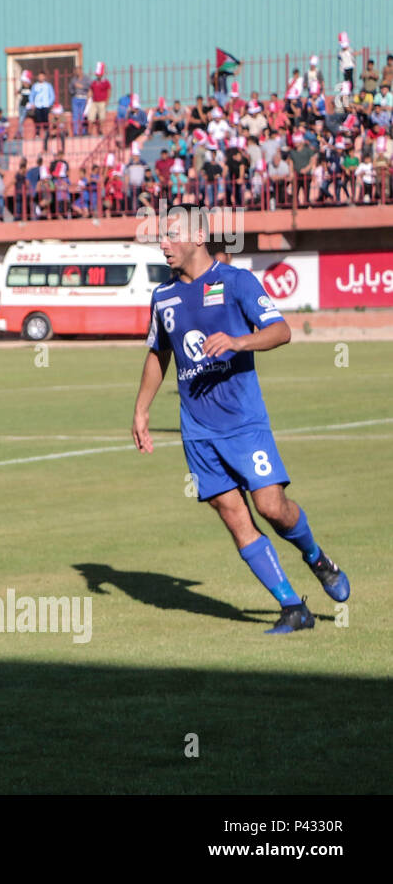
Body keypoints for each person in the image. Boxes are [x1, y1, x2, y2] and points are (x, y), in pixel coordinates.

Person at [131, 209, 350, 634]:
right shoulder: (163, 297)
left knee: (271, 507)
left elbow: (281, 330)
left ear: (198, 236)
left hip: (244, 423)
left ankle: (317, 559)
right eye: (161, 236)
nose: (163, 243)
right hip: (197, 430)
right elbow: (159, 354)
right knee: (231, 513)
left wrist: (238, 341)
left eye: (171, 235)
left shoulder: (236, 282)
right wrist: (141, 409)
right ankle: (292, 608)